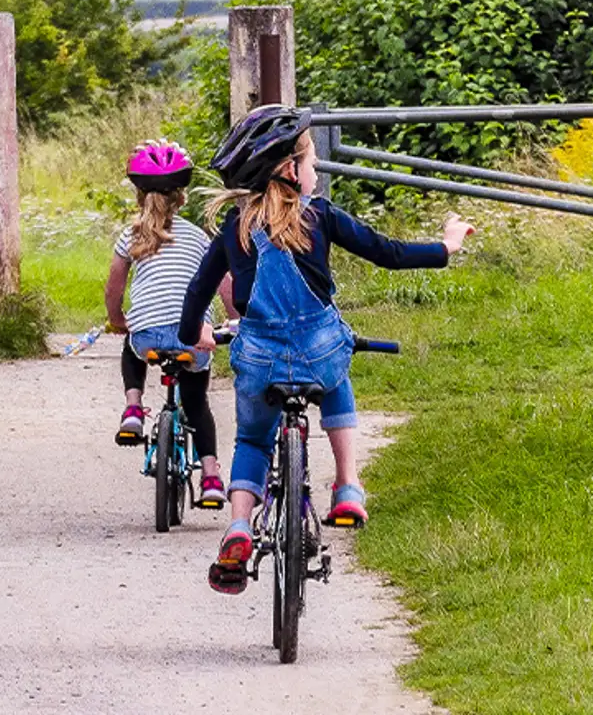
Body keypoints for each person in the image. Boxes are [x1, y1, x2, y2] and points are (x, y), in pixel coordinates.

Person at [177, 105, 473, 595]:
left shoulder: (235, 227)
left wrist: (195, 334)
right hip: (320, 353)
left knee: (252, 441)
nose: (316, 171)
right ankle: (348, 485)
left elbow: (197, 292)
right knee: (337, 369)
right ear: (291, 171)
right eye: (312, 162)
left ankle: (238, 526)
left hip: (259, 359)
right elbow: (388, 253)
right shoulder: (321, 216)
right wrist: (446, 247)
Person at [105, 140, 233, 508]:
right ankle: (211, 478)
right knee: (197, 403)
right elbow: (224, 285)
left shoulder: (131, 236)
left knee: (132, 343)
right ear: (181, 197)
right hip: (192, 337)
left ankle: (133, 408)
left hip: (147, 335)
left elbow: (114, 286)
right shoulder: (198, 236)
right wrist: (234, 319)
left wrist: (118, 320)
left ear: (139, 195)